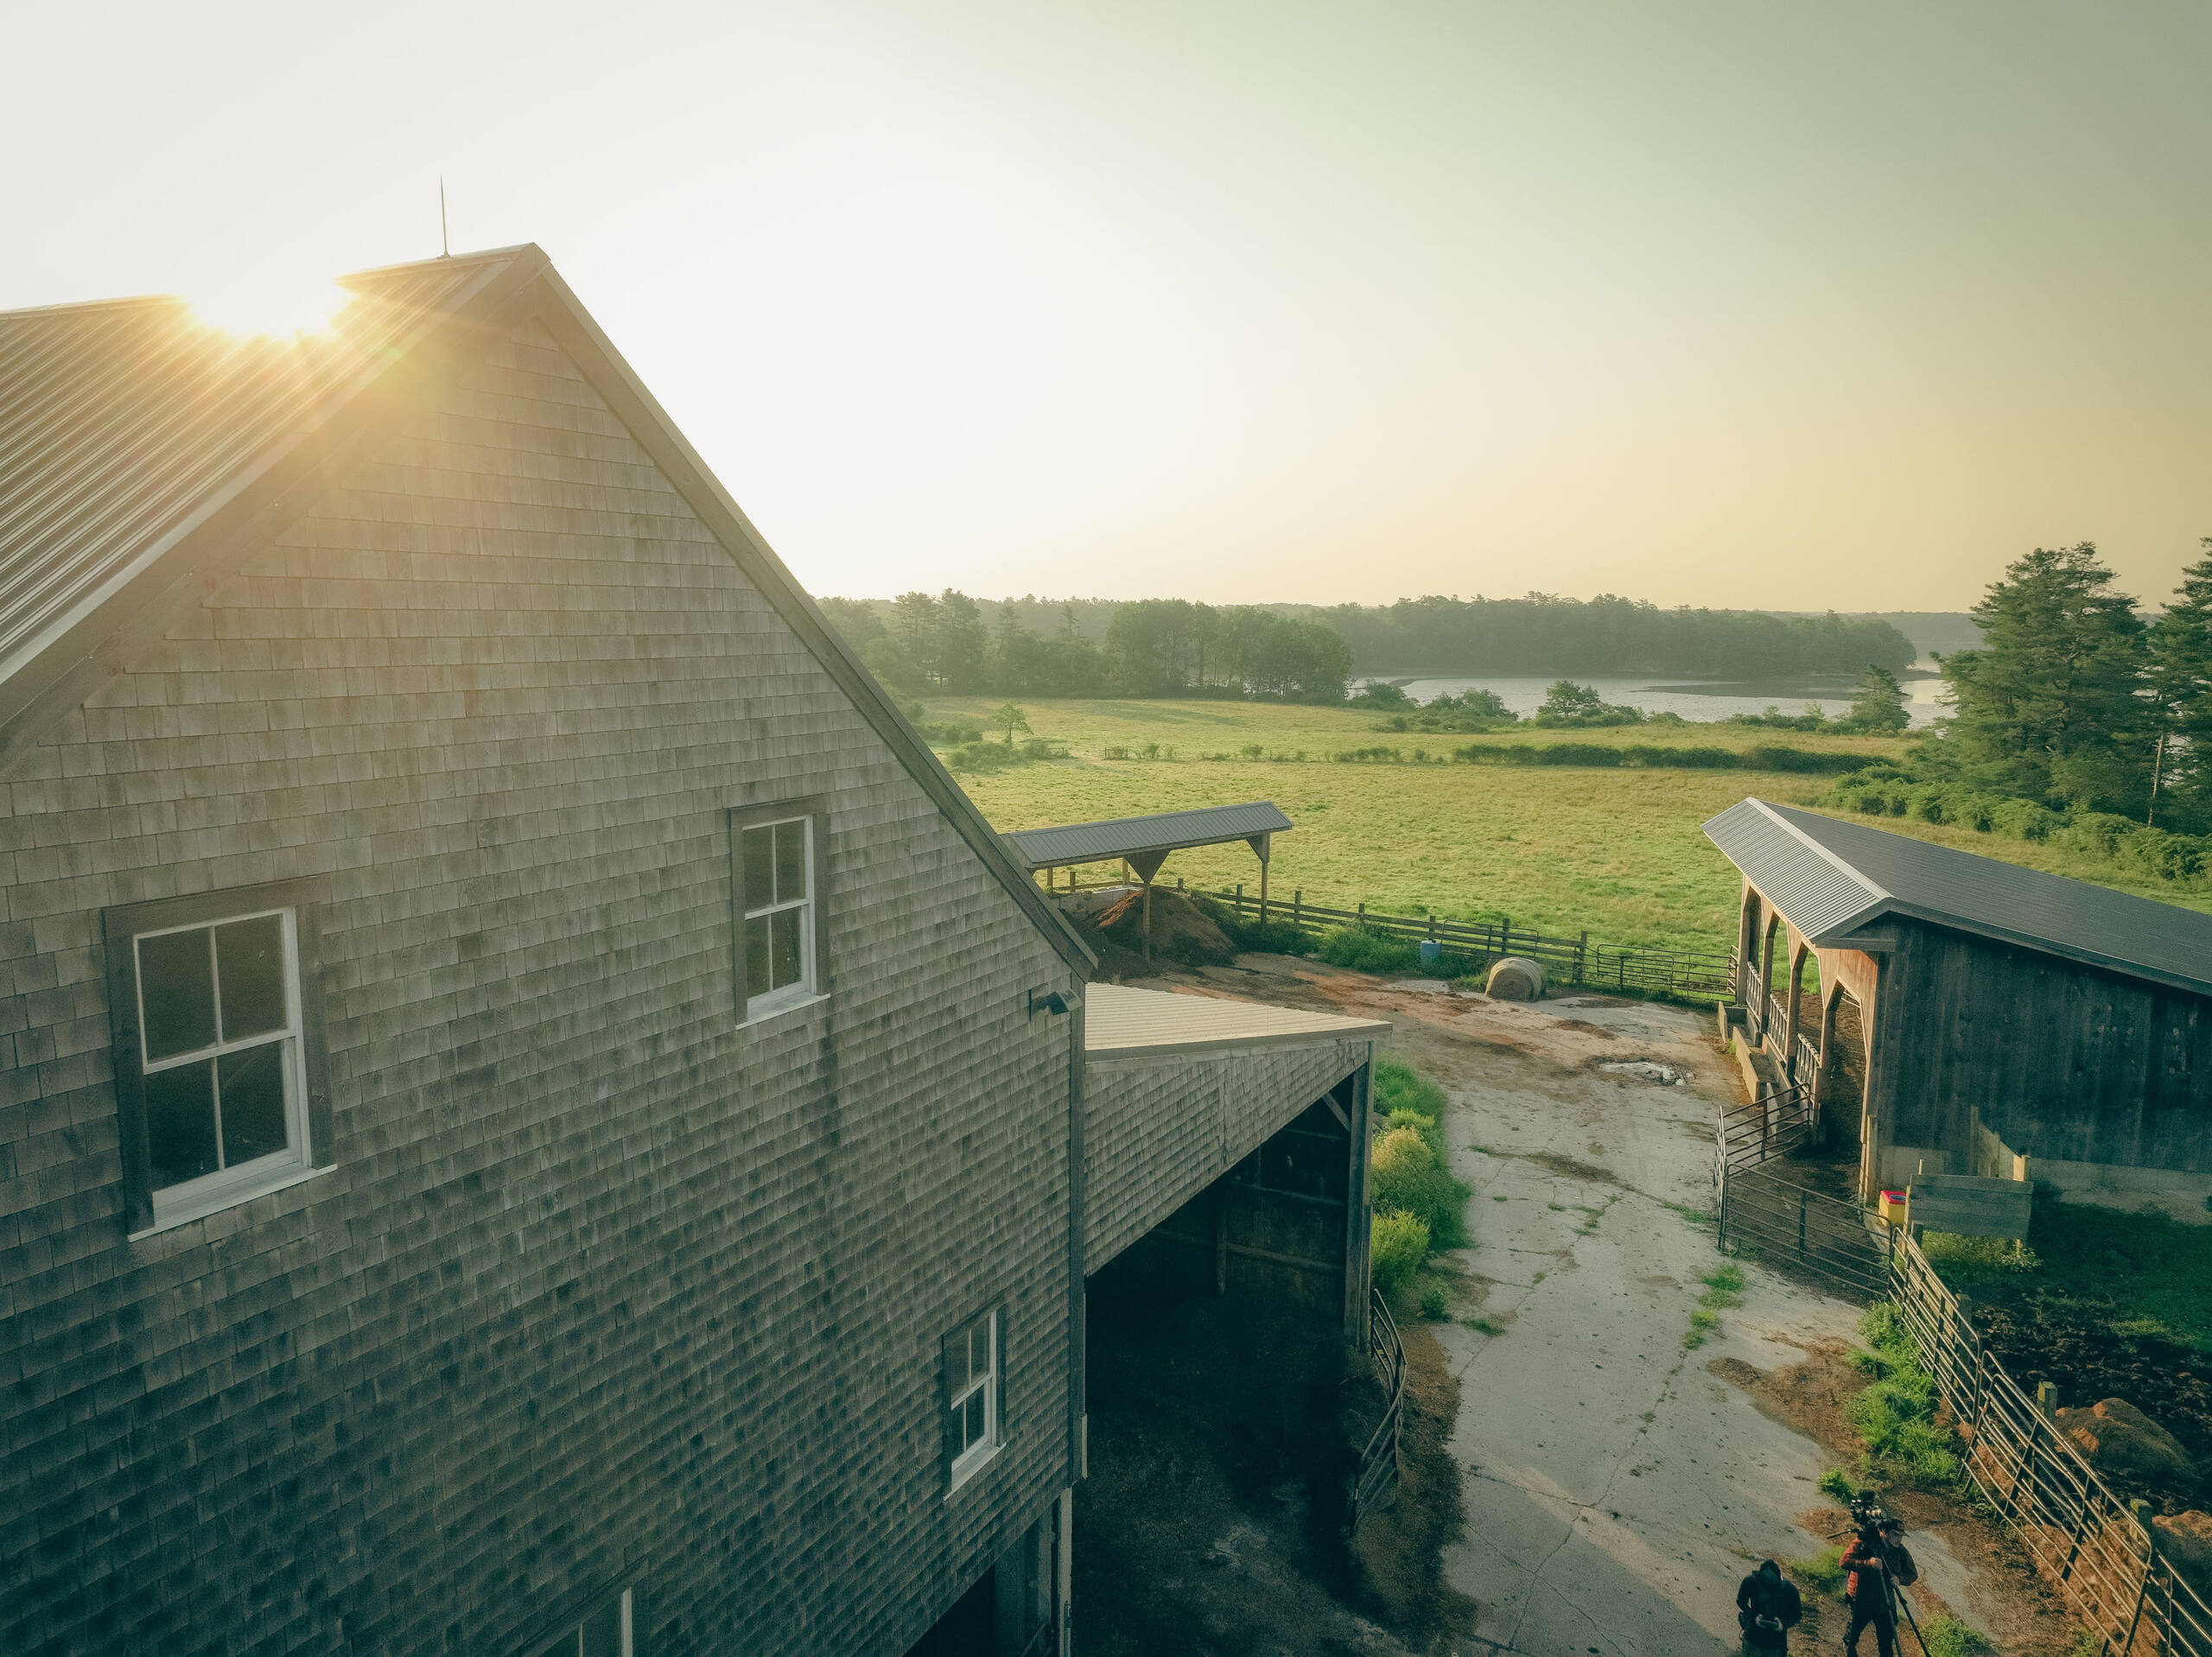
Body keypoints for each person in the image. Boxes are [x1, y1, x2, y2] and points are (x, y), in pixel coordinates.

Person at [1841, 1518, 1918, 1657]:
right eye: (1895, 1535)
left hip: (1885, 1602)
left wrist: (1899, 1579)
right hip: (1861, 1599)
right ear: (1884, 1532)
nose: (1899, 1539)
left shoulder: (1900, 1551)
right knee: (1851, 1639)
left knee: (1886, 1645)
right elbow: (1844, 1562)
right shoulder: (1865, 1543)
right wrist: (1868, 1563)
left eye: (1901, 1536)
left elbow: (1912, 1574)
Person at [1735, 1559, 1803, 1652]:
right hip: (1753, 1637)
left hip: (1776, 1645)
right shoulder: (1750, 1582)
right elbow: (1741, 1601)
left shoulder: (1790, 1590)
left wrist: (1782, 1624)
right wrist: (1754, 1616)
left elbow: (1797, 1615)